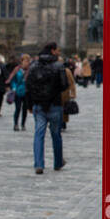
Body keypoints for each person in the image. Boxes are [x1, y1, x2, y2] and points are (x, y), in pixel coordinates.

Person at [26, 43, 66, 174]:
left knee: (39, 134)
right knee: (56, 135)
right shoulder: (59, 66)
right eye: (58, 50)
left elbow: (29, 86)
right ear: (53, 51)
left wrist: (30, 104)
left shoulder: (34, 66)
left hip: (39, 104)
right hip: (55, 104)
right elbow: (64, 85)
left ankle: (39, 164)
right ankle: (58, 162)